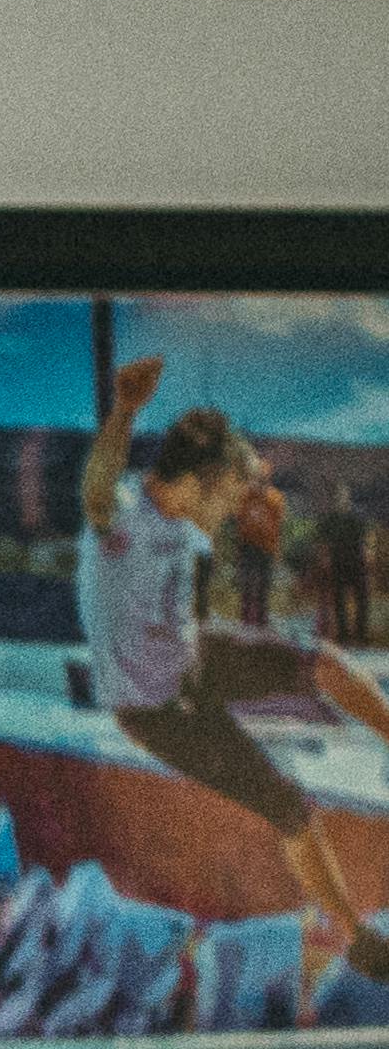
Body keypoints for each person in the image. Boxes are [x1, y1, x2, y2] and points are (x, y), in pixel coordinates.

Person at [85, 357, 389, 986]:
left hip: (195, 657)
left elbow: (235, 502)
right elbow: (96, 486)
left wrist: (252, 478)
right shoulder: (122, 520)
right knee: (289, 806)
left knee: (323, 664)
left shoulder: (190, 524)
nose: (230, 513)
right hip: (156, 711)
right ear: (200, 480)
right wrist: (124, 411)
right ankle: (356, 938)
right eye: (227, 494)